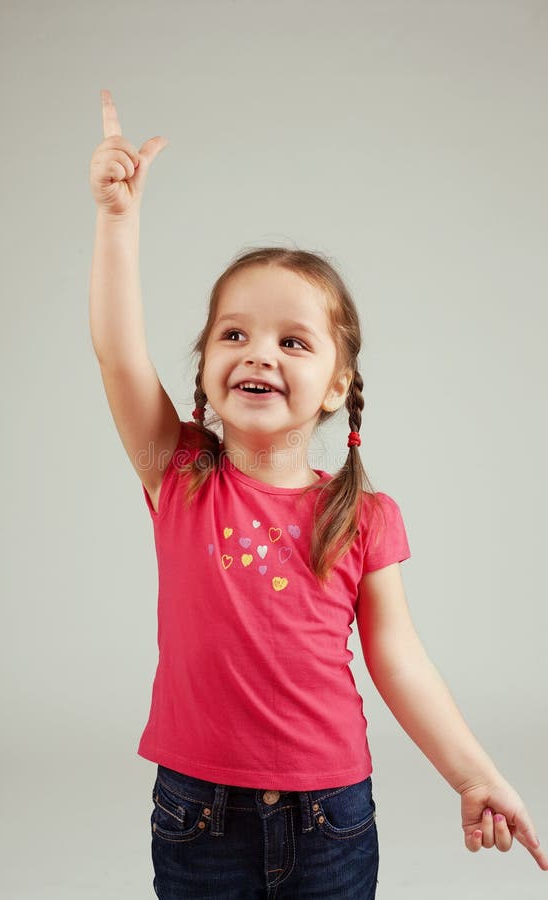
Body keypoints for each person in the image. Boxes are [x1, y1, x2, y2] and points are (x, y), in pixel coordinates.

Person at [88, 89, 547, 898]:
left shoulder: (365, 516)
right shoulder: (180, 475)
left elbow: (399, 662)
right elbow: (119, 354)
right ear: (203, 368)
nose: (257, 352)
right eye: (234, 333)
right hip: (198, 814)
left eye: (292, 340)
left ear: (337, 385)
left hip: (331, 817)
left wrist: (476, 775)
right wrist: (118, 222)